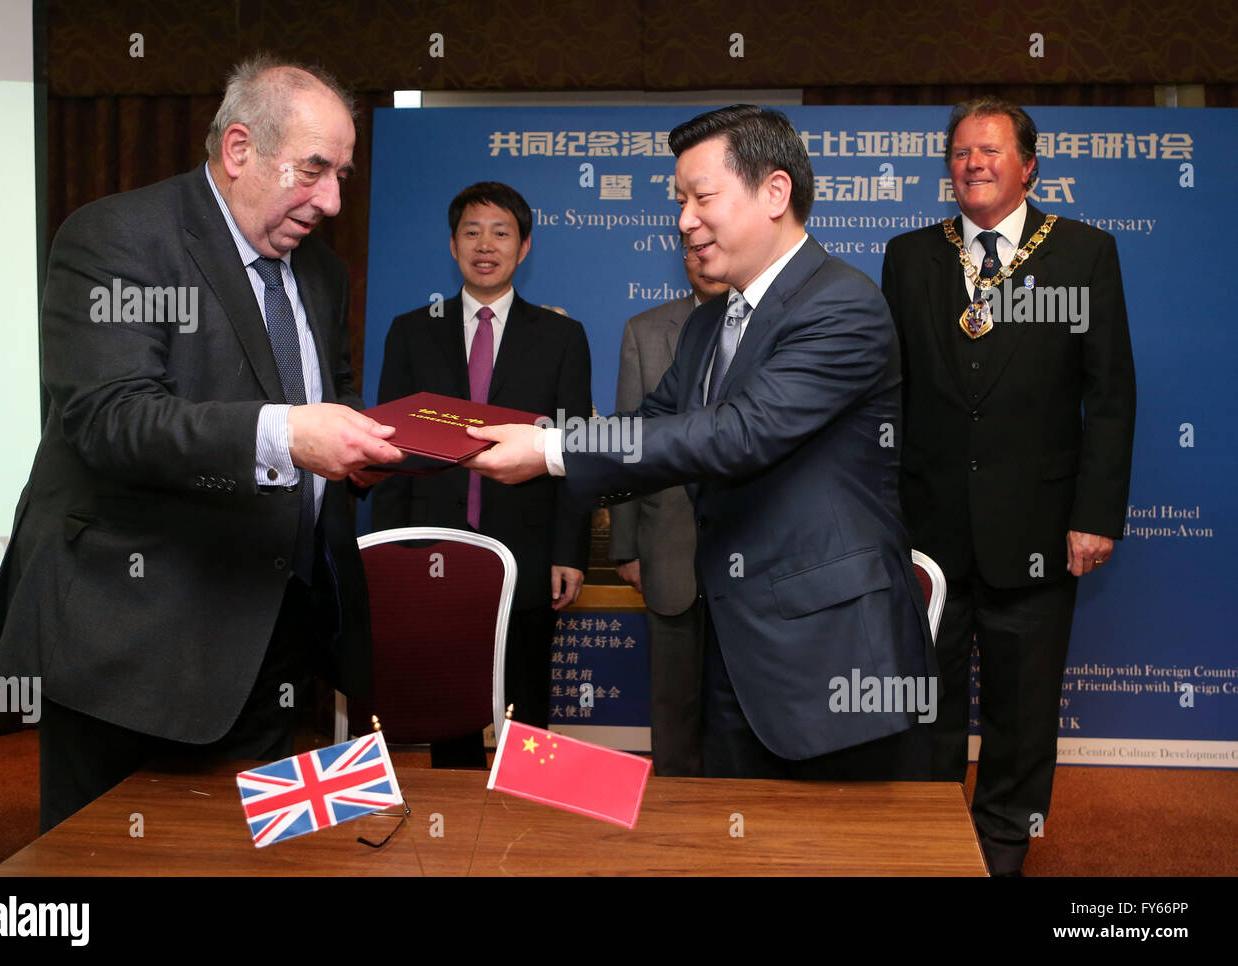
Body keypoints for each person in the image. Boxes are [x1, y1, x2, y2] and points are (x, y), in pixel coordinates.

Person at [0, 56, 403, 831]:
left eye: (342, 175)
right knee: (108, 858)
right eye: (313, 171)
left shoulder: (320, 273)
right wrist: (290, 435)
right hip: (134, 637)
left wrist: (354, 451)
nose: (334, 201)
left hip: (273, 633)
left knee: (250, 851)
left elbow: (324, 397)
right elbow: (111, 420)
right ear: (239, 148)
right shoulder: (120, 237)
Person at [467, 106, 935, 781]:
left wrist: (549, 450)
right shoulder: (708, 324)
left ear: (774, 193)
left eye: (701, 197)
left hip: (832, 662)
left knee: (838, 850)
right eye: (679, 200)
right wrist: (536, 439)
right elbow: (652, 429)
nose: (684, 219)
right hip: (733, 645)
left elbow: (739, 433)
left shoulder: (843, 304)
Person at [881, 97, 1135, 874]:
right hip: (927, 529)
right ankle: (926, 838)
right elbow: (887, 392)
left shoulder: (1083, 253)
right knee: (926, 703)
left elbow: (1112, 395)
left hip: (1038, 526)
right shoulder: (911, 255)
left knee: (1022, 712)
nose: (974, 164)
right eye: (960, 152)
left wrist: (1095, 515)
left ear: (1029, 164)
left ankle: (1000, 849)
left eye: (990, 150)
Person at [373, 182, 591, 765]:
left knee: (527, 710)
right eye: (472, 232)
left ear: (524, 249)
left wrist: (568, 552)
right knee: (451, 708)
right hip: (436, 551)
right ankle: (454, 836)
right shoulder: (411, 331)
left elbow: (575, 452)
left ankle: (526, 835)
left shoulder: (562, 337)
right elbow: (388, 452)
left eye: (501, 232)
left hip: (526, 547)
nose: (485, 245)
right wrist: (389, 550)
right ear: (452, 245)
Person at [609, 238, 728, 777]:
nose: (703, 258)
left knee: (741, 712)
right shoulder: (645, 330)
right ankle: (677, 826)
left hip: (751, 555)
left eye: (713, 244)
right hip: (669, 551)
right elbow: (627, 444)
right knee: (674, 705)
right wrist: (625, 547)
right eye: (691, 250)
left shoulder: (778, 326)